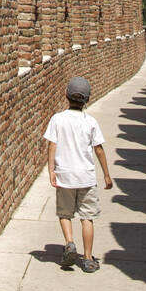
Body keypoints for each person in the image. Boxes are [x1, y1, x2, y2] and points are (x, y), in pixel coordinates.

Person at [43, 76, 112, 271]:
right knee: (87, 217)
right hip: (86, 177)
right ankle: (88, 258)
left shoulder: (57, 119)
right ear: (87, 100)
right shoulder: (90, 122)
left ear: (66, 96)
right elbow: (98, 149)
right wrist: (106, 174)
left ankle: (70, 243)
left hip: (65, 175)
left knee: (65, 213)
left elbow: (52, 145)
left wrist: (51, 171)